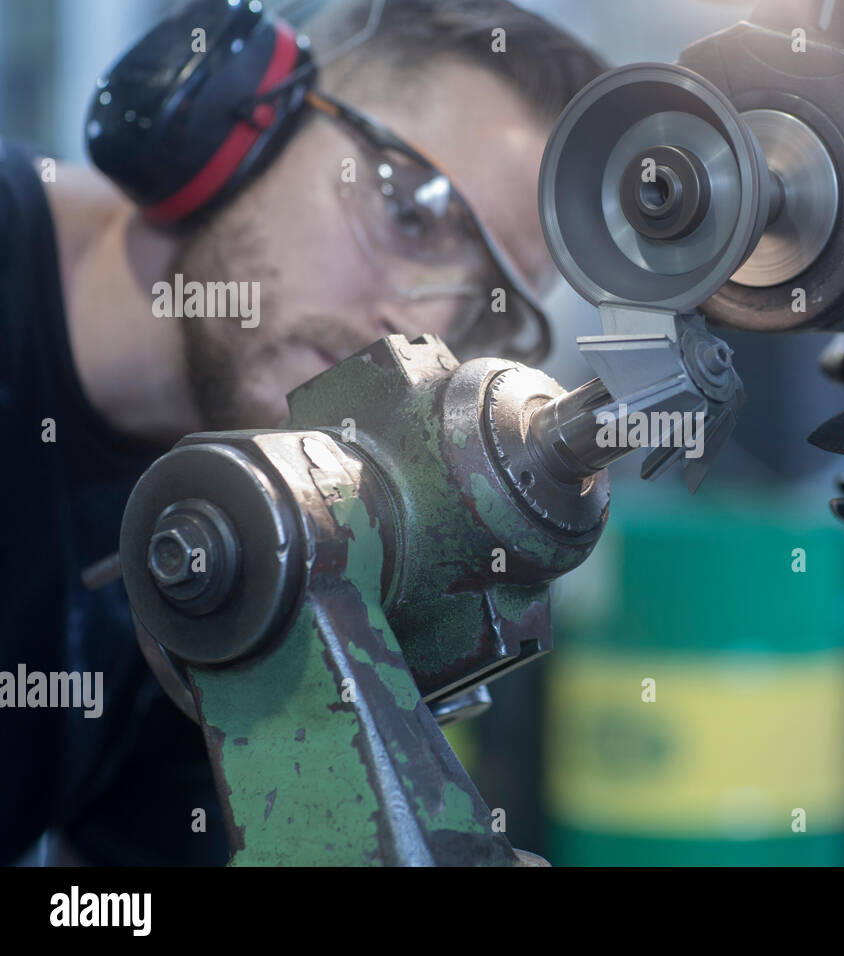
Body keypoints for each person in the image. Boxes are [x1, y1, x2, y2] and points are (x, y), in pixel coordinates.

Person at [0, 0, 604, 865]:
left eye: (486, 310)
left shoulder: (258, 546)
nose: (417, 322)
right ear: (243, 127)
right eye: (411, 211)